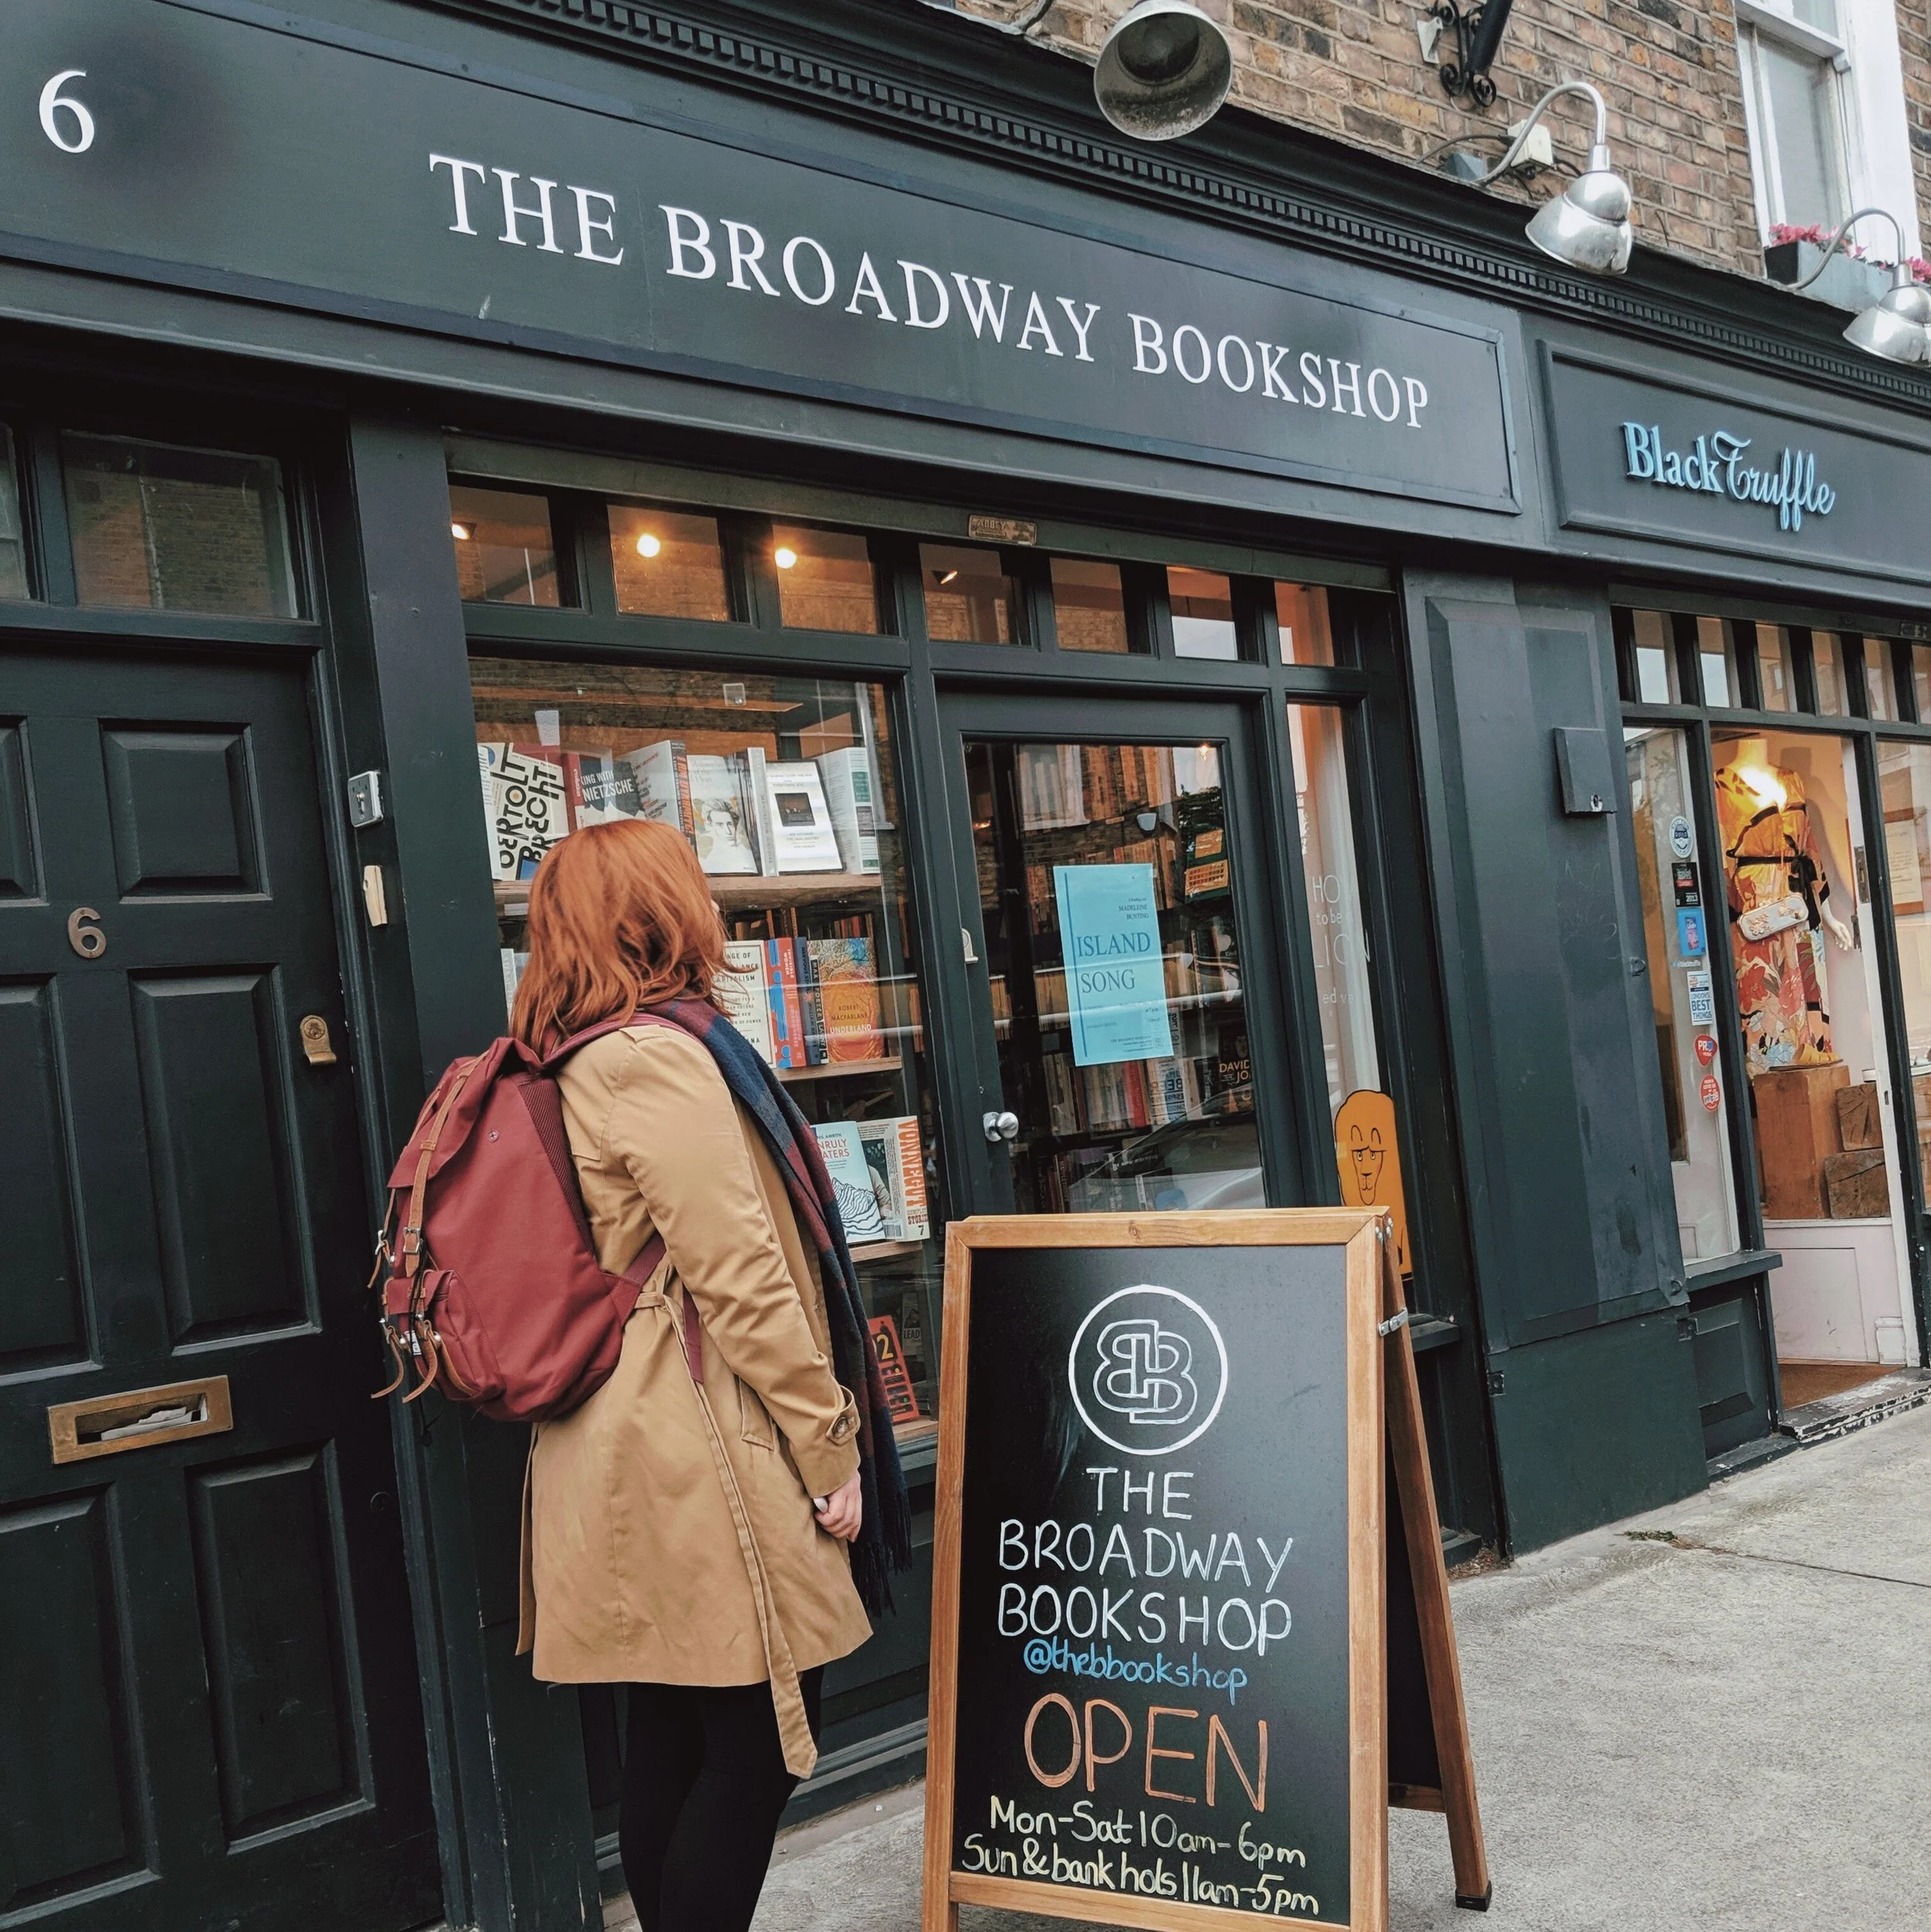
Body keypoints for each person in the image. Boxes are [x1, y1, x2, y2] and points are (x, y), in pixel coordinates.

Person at [510, 817, 910, 1932]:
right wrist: (828, 1444)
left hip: (627, 1441)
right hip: (699, 1446)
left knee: (677, 1735)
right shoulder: (651, 1056)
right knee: (762, 1740)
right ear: (659, 912)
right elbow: (739, 1276)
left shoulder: (574, 1046)